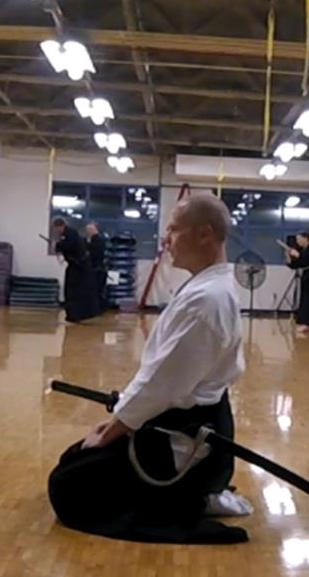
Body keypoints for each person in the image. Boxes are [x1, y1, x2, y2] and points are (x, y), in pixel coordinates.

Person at [47, 195, 248, 544]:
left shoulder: (208, 299)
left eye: (173, 229)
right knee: (74, 458)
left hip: (184, 441)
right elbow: (161, 375)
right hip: (173, 423)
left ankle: (191, 497)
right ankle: (192, 493)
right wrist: (119, 419)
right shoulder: (205, 286)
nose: (166, 238)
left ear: (204, 234)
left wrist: (115, 430)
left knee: (67, 487)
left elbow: (163, 384)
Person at [51, 217, 99, 323]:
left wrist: (57, 245)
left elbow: (68, 245)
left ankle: (75, 316)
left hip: (80, 268)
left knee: (75, 292)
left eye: (56, 228)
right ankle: (72, 315)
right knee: (70, 291)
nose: (56, 231)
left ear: (60, 226)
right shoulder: (67, 234)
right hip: (75, 266)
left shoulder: (70, 233)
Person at [85, 222, 109, 310]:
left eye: (89, 230)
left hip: (98, 269)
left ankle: (99, 308)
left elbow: (95, 251)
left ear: (93, 230)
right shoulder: (94, 240)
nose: (87, 232)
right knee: (96, 290)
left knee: (97, 290)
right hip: (96, 268)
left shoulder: (98, 241)